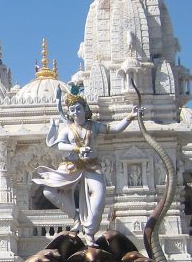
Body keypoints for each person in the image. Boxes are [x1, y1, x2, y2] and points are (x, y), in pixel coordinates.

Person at [34, 89, 137, 245]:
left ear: (85, 109)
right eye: (72, 110)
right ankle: (76, 218)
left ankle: (89, 232)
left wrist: (130, 117)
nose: (76, 112)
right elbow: (59, 145)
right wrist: (76, 149)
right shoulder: (67, 130)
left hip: (92, 167)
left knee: (99, 199)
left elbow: (114, 129)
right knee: (49, 191)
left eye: (78, 108)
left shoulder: (93, 126)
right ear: (69, 113)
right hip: (71, 166)